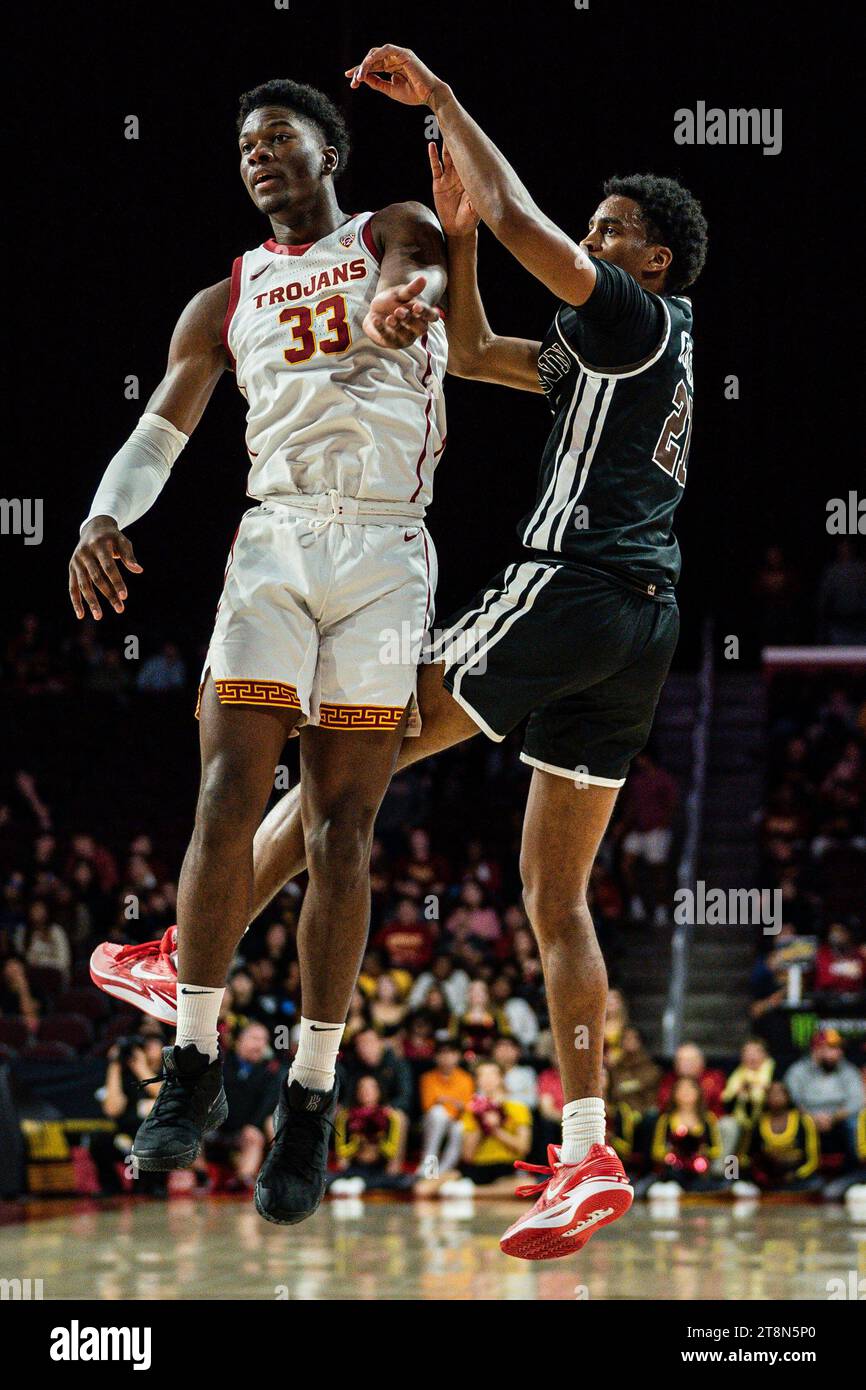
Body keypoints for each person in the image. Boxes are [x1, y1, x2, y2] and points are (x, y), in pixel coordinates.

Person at [93, 43, 708, 1260]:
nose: (592, 234)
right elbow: (475, 351)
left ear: (651, 258)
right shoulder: (612, 359)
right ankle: (589, 1147)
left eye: (612, 227)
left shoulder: (632, 316)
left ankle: (181, 954)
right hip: (644, 620)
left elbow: (527, 224)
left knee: (345, 773)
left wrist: (444, 106)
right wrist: (460, 251)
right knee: (552, 895)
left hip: (565, 589)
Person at [76, 76, 448, 1229]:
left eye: (279, 138)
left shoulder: (391, 224)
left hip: (385, 547)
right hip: (275, 536)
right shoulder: (219, 297)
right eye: (244, 146)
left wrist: (402, 303)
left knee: (340, 828)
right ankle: (191, 1056)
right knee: (228, 793)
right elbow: (159, 432)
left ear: (328, 148)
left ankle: (313, 1093)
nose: (258, 157)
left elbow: (421, 273)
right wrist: (101, 516)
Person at [784, 1027, 865, 1163]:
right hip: (807, 1116)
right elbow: (793, 1100)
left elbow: (857, 1100)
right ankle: (800, 1170)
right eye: (832, 1048)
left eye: (839, 1048)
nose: (839, 1052)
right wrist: (812, 1117)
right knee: (792, 1122)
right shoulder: (798, 1071)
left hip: (840, 1116)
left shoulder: (847, 1070)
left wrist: (833, 1117)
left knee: (856, 1121)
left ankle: (857, 1170)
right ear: (817, 1050)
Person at [416, 1036, 474, 1184]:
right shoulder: (427, 1078)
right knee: (438, 1114)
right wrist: (453, 1103)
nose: (447, 1057)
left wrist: (445, 1100)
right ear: (436, 1057)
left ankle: (442, 1172)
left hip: (457, 1120)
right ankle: (429, 1168)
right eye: (442, 1053)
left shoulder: (466, 1078)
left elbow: (467, 1108)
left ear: (458, 1056)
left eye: (451, 1053)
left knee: (460, 1128)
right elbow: (428, 1105)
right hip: (433, 1122)